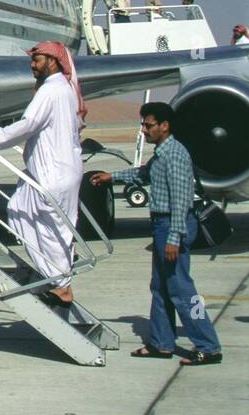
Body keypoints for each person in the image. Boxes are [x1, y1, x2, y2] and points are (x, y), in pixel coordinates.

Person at [91, 103, 222, 365]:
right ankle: (161, 344)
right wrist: (111, 177)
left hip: (173, 225)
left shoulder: (175, 155)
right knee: (160, 287)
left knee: (183, 290)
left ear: (165, 126)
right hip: (162, 226)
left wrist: (174, 237)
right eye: (143, 124)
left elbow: (182, 200)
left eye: (148, 125)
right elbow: (143, 174)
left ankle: (208, 346)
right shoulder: (161, 154)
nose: (144, 130)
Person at [0, 42, 85, 307]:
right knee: (20, 208)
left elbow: (27, 125)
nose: (32, 65)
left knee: (47, 229)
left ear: (53, 62)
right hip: (59, 170)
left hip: (52, 173)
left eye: (37, 60)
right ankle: (57, 275)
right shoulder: (61, 88)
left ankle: (61, 285)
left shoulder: (51, 90)